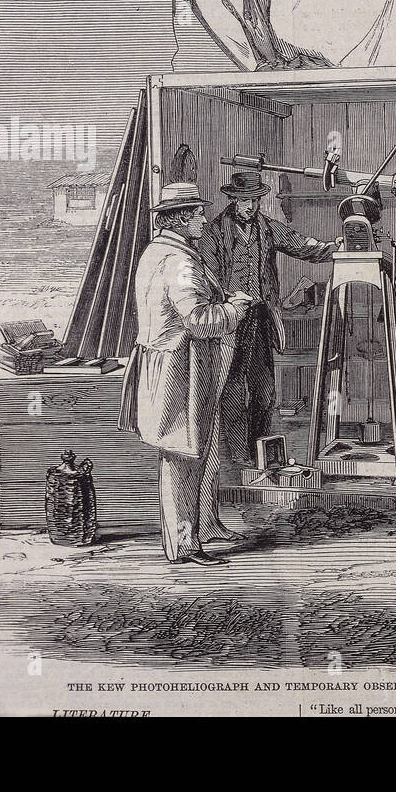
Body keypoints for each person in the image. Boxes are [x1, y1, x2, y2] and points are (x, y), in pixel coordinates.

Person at [118, 183, 252, 566]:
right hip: (179, 367)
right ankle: (184, 545)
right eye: (196, 214)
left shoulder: (157, 251)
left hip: (166, 362)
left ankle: (203, 526)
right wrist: (235, 310)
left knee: (195, 452)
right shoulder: (179, 261)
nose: (203, 219)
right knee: (181, 457)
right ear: (179, 218)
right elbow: (197, 320)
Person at [198, 170, 338, 484]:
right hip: (230, 321)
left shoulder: (265, 227)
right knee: (233, 391)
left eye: (255, 200)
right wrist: (227, 303)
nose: (250, 206)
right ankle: (237, 458)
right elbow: (208, 278)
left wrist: (334, 247)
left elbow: (300, 244)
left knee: (264, 392)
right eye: (245, 200)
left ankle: (261, 453)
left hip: (261, 318)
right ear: (233, 198)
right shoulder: (214, 232)